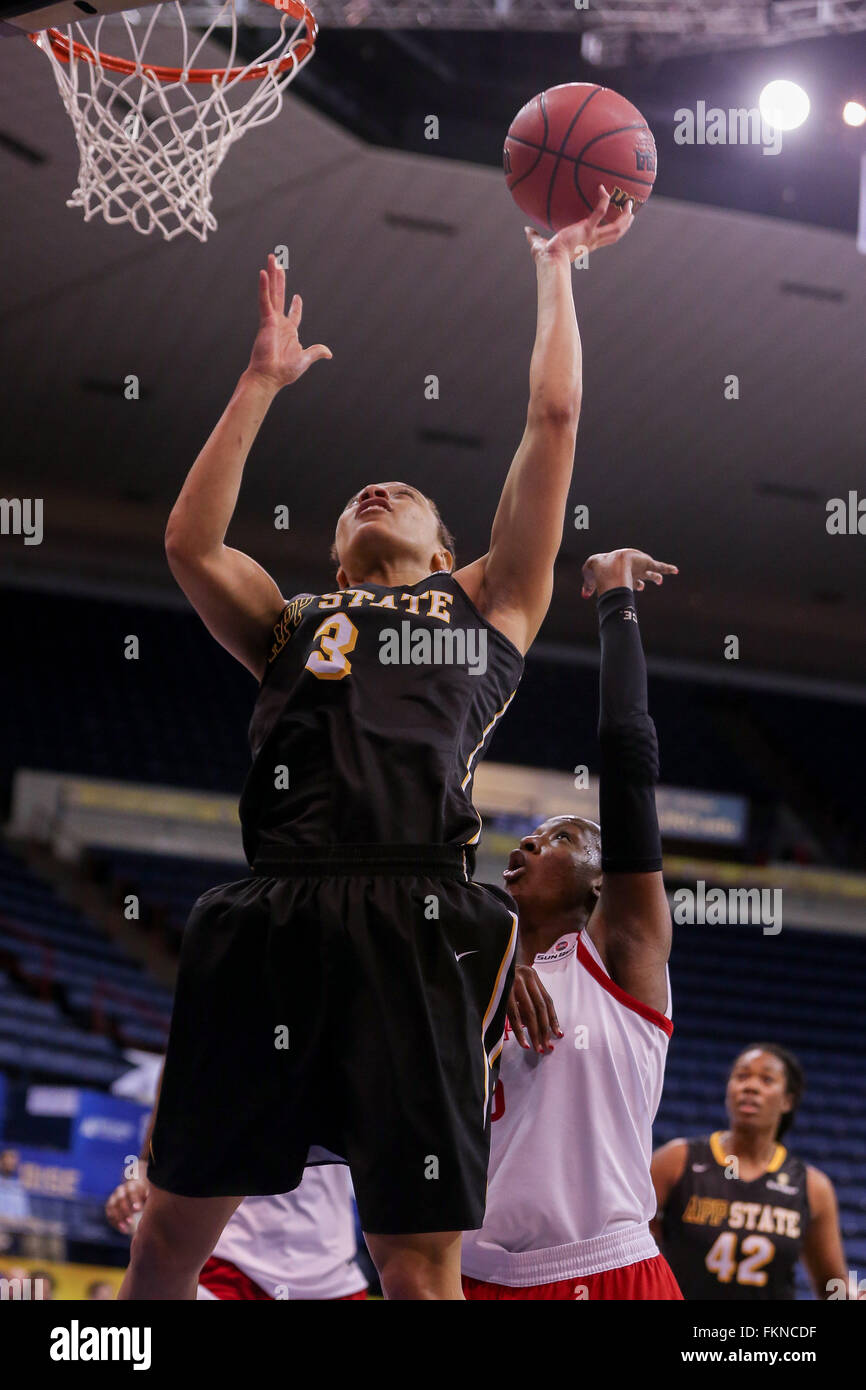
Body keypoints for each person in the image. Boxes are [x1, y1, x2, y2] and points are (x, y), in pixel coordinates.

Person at [118, 192, 634, 1302]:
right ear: (339, 556)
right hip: (273, 909)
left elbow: (552, 421)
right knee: (167, 1236)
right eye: (358, 499)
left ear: (445, 548)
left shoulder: (488, 601)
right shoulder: (291, 620)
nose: (374, 490)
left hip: (417, 922)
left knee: (414, 1259)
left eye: (402, 494)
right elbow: (189, 540)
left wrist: (554, 268)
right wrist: (260, 384)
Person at [462, 546, 683, 1300]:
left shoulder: (623, 954)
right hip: (470, 1272)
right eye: (528, 834)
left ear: (600, 884)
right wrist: (504, 963)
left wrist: (614, 601)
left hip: (604, 1267)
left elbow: (628, 756)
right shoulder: (463, 965)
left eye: (559, 838)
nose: (527, 842)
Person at [651, 1043, 853, 1299]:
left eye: (767, 1079)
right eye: (741, 1076)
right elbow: (625, 1240)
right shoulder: (677, 1159)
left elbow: (831, 1284)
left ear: (787, 1100)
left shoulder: (813, 1186)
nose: (751, 1086)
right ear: (728, 1090)